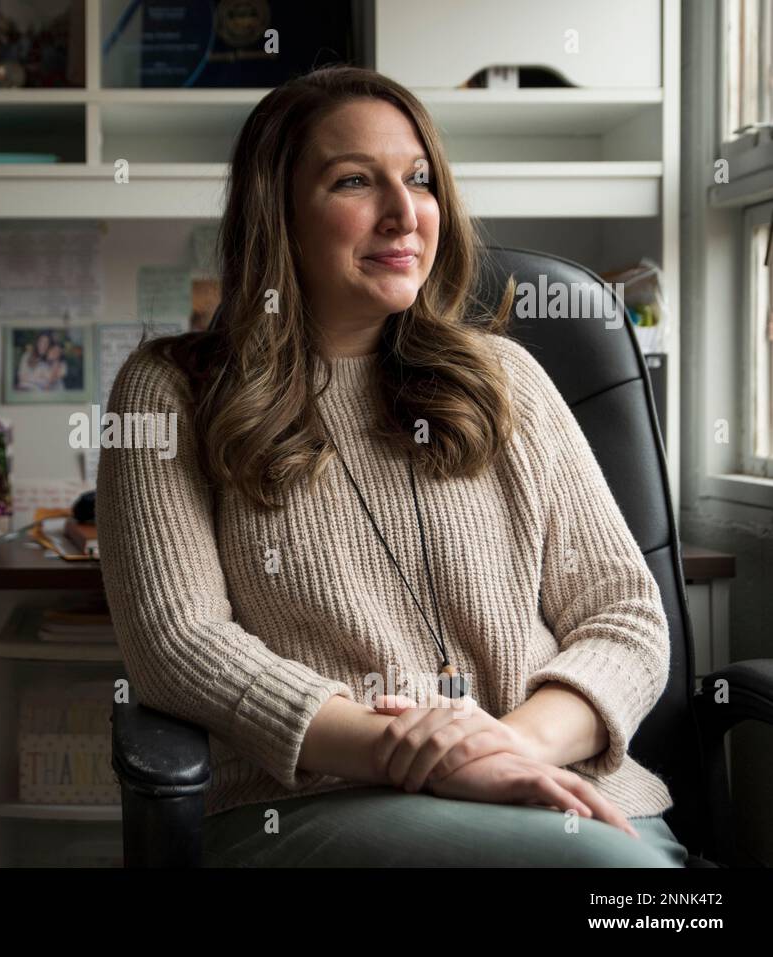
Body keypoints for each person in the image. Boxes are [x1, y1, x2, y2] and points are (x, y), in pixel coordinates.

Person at [95, 65, 687, 868]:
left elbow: (625, 614)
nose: (404, 213)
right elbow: (179, 641)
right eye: (353, 181)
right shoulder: (169, 392)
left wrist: (506, 752)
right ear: (281, 215)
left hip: (564, 788)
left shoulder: (504, 379)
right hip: (316, 803)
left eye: (418, 179)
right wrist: (412, 752)